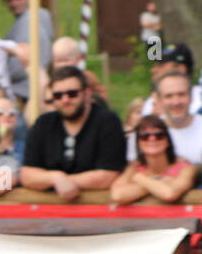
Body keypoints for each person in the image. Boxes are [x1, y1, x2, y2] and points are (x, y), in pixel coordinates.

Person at [20, 67, 126, 201]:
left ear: (87, 93)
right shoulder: (43, 123)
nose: (65, 100)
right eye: (58, 95)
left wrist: (65, 181)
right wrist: (56, 178)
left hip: (99, 212)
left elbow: (108, 175)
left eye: (72, 94)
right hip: (49, 214)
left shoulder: (108, 122)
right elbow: (27, 175)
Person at [110, 115, 197, 205]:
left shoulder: (186, 168)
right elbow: (117, 195)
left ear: (167, 140)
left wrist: (139, 178)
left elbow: (169, 194)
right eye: (145, 136)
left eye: (159, 135)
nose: (152, 139)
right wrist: (159, 181)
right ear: (138, 143)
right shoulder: (134, 169)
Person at [131, 71, 202, 168]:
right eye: (169, 96)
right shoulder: (145, 134)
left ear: (191, 96)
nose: (176, 102)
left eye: (181, 94)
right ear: (158, 100)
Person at [1, 0, 53, 103]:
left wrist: (0, 73)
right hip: (38, 86)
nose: (14, 3)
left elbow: (24, 62)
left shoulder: (29, 22)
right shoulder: (40, 18)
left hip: (24, 91)